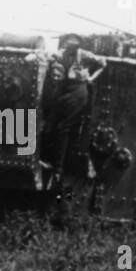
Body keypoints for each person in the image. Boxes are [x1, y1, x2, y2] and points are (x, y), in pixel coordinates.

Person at [40, 33, 107, 189]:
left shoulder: (83, 55)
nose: (70, 47)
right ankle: (45, 159)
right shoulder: (62, 54)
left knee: (64, 127)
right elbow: (51, 58)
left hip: (78, 91)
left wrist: (91, 78)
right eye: (68, 44)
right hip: (65, 90)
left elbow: (103, 63)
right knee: (50, 122)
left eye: (74, 45)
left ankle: (58, 169)